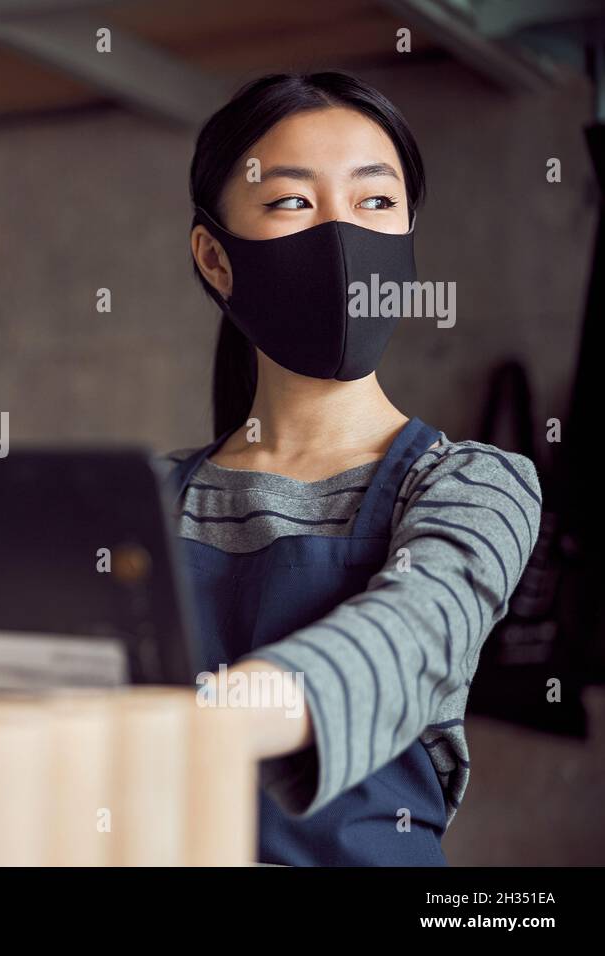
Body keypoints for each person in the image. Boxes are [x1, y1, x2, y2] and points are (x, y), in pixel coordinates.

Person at [174, 72, 542, 865]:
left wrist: (208, 717)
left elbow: (414, 635)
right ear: (215, 257)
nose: (342, 239)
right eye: (293, 202)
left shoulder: (475, 485)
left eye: (376, 202)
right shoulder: (147, 499)